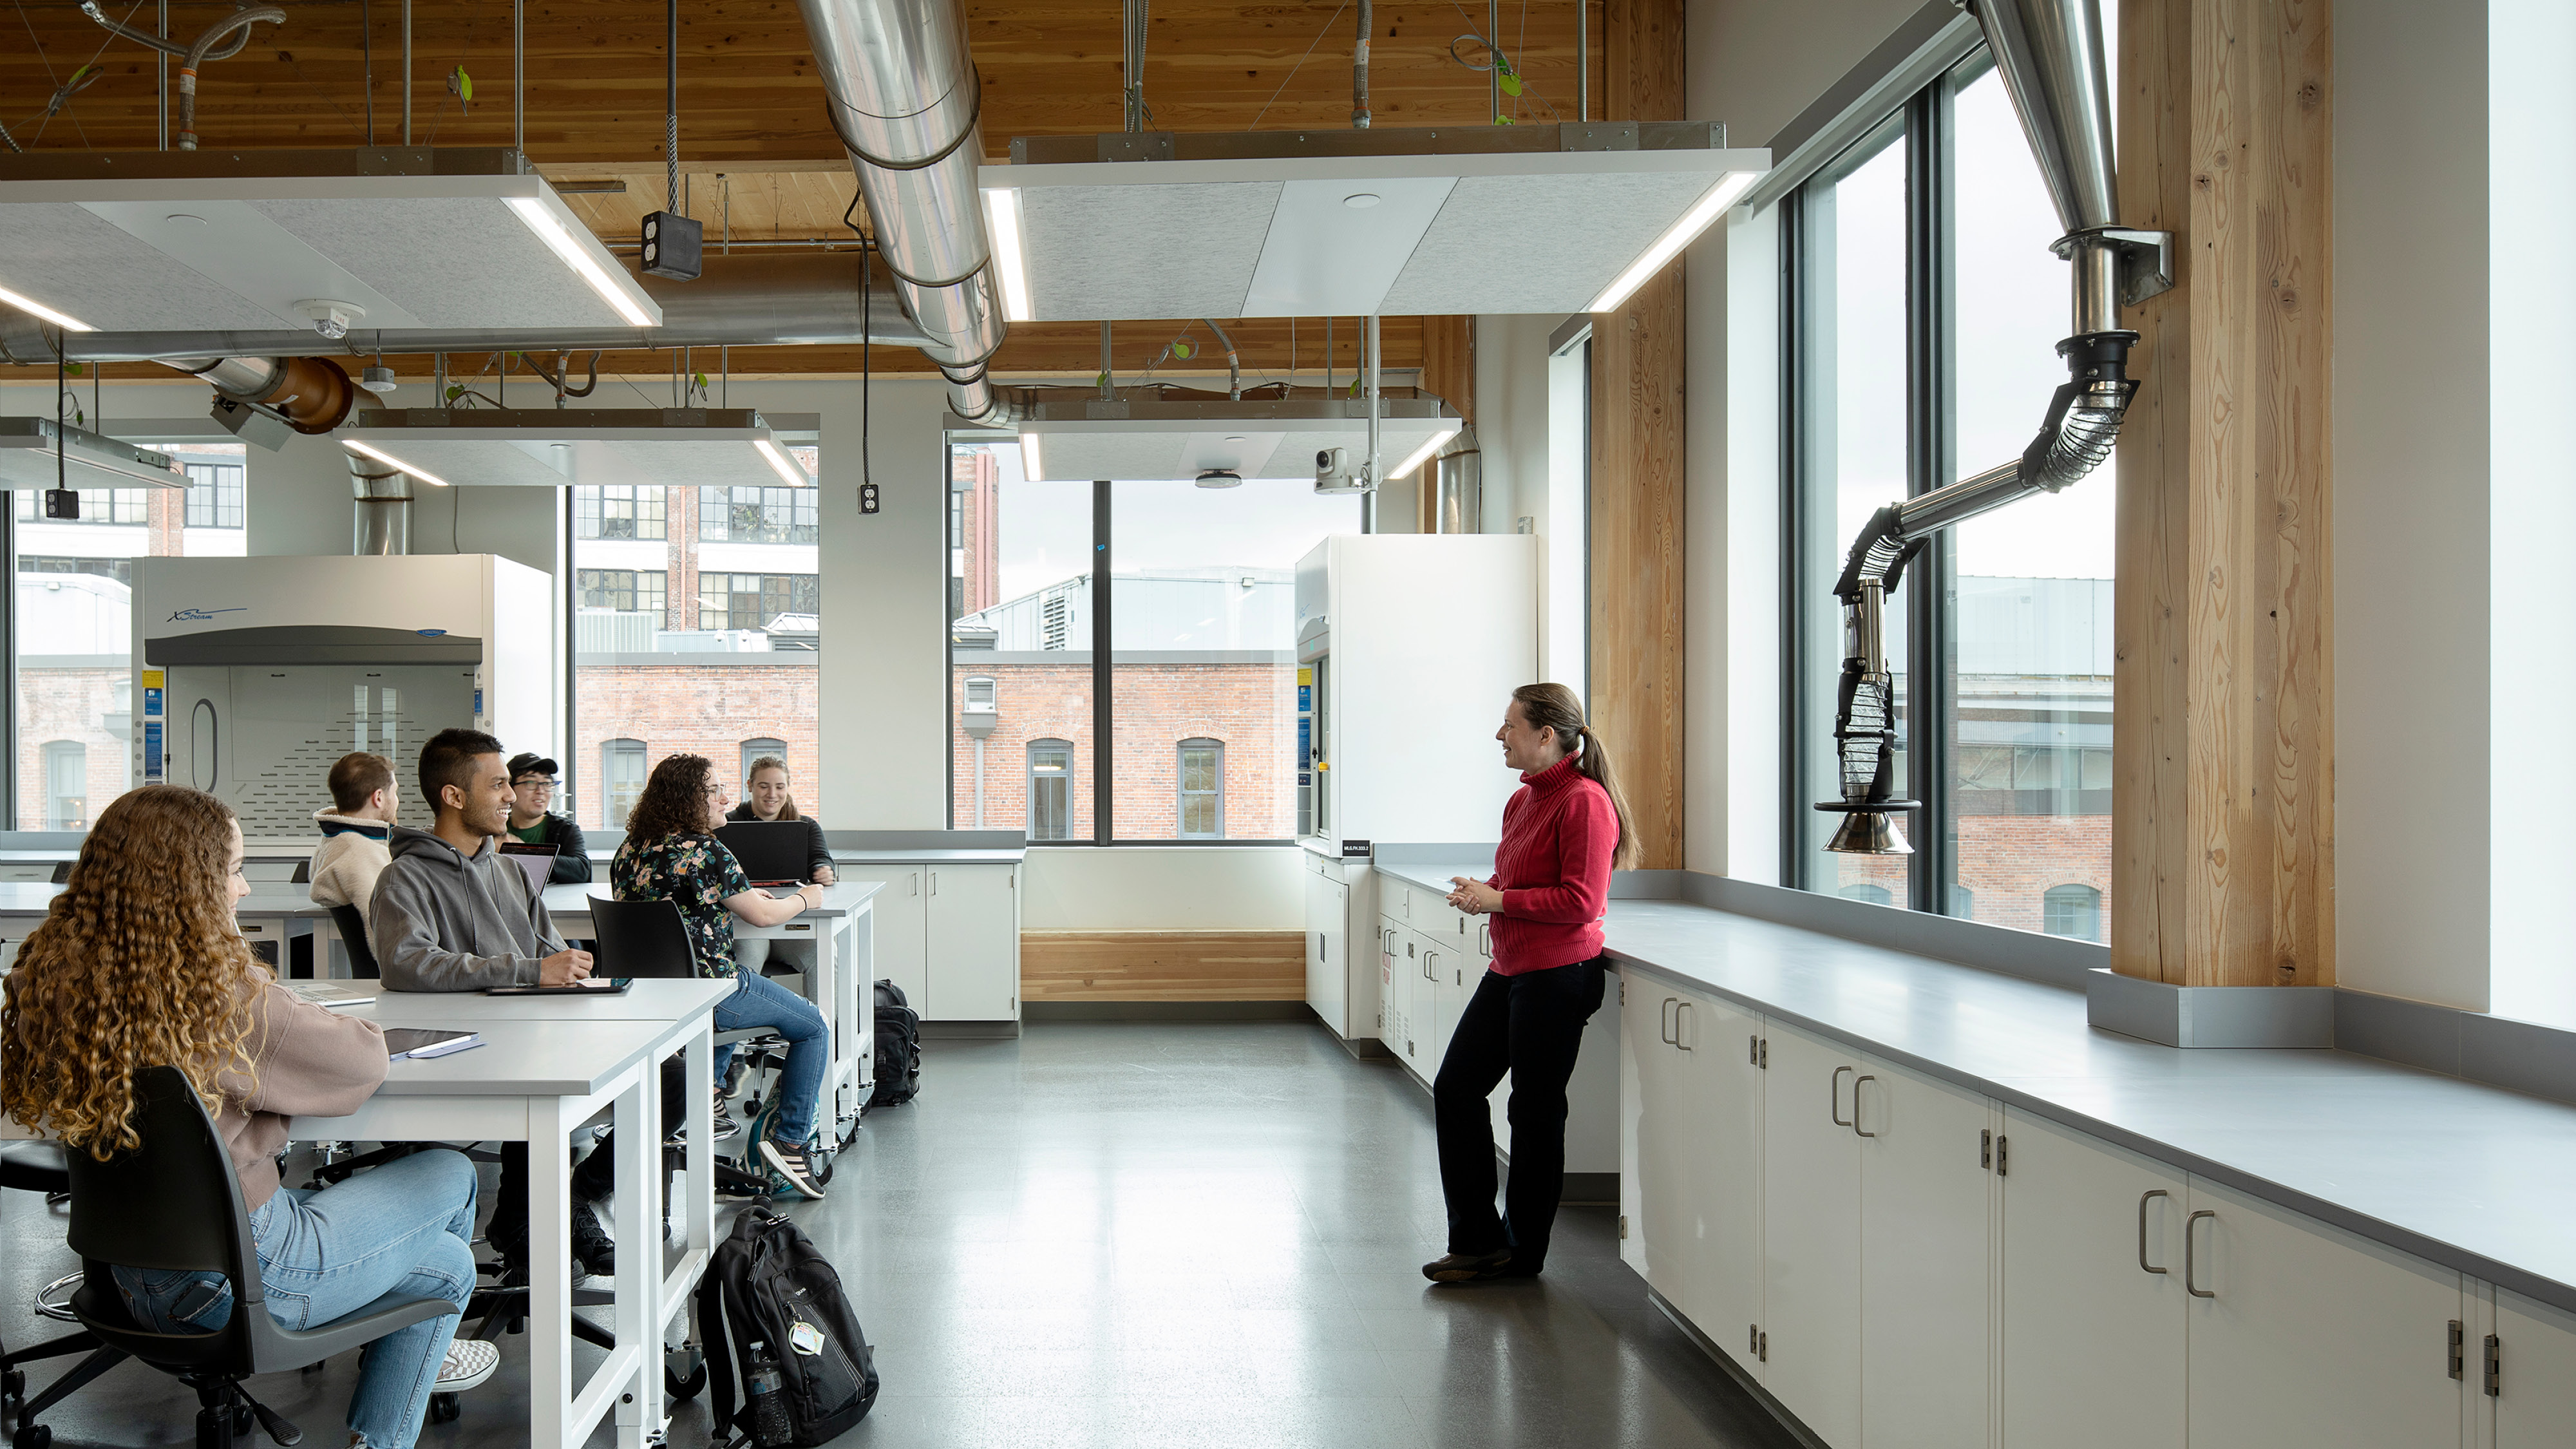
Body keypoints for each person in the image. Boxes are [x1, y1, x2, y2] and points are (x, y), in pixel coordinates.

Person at [0, 786, 500, 1449]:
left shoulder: (57, 975)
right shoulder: (220, 992)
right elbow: (357, 1063)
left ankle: (391, 1419)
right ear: (189, 884)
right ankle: (393, 1412)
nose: (241, 890)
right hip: (244, 1277)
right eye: (232, 870)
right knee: (450, 1172)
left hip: (116, 1276)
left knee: (446, 1266)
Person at [370, 728, 612, 1278]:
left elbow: (547, 947)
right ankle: (529, 1222)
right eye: (499, 784)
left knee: (670, 1079)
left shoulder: (508, 869)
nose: (511, 795)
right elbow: (407, 964)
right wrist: (531, 970)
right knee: (548, 1091)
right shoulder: (403, 877)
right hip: (461, 1050)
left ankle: (566, 1201)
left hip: (527, 1033)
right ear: (454, 796)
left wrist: (573, 968)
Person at [1421, 683, 1636, 1283]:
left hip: (1559, 974)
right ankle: (1478, 1242)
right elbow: (1513, 877)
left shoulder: (1585, 802)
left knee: (1534, 1114)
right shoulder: (1524, 802)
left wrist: (1502, 899)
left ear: (1547, 736)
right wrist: (1483, 894)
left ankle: (1524, 1254)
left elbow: (1582, 901)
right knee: (1457, 1089)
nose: (1500, 736)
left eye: (1510, 725)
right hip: (1512, 969)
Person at [612, 753, 832, 1199]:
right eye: (715, 791)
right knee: (814, 1026)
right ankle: (790, 1144)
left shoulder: (629, 850)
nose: (725, 799)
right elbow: (765, 915)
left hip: (646, 1001)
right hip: (709, 992)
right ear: (688, 799)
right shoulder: (705, 851)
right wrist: (808, 899)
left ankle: (709, 1097)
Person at [724, 753, 833, 974]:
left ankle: (824, 1011)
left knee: (826, 958)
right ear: (750, 786)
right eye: (764, 786)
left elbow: (821, 859)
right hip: (747, 926)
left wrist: (822, 870)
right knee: (744, 968)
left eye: (780, 787)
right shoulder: (727, 825)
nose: (772, 794)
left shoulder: (806, 826)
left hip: (794, 924)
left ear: (788, 788)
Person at [310, 751, 399, 956]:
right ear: (378, 797)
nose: (396, 801)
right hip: (390, 980)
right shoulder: (361, 853)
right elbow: (388, 935)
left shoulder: (335, 840)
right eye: (394, 793)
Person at [503, 752, 593, 885]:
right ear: (510, 788)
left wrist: (524, 853)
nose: (541, 791)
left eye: (547, 784)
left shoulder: (564, 829)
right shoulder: (494, 829)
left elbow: (582, 870)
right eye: (531, 782)